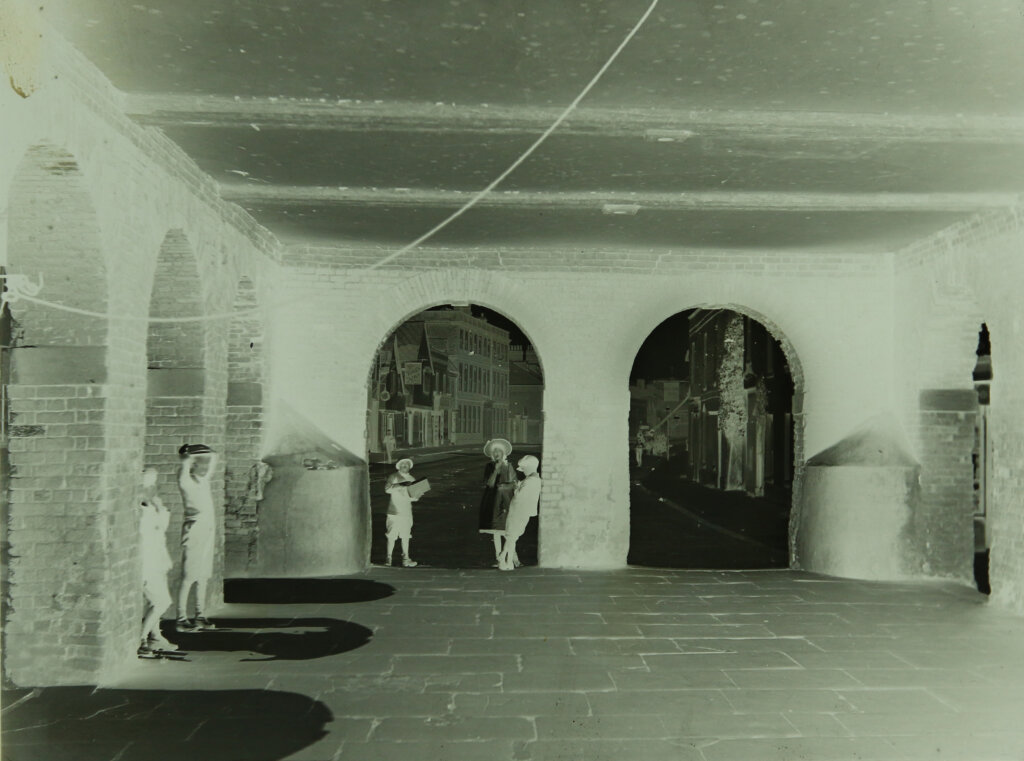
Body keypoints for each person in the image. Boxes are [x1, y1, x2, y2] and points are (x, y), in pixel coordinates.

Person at [175, 443, 218, 632]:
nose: (207, 466)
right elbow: (183, 469)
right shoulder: (186, 481)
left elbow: (214, 459)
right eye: (202, 462)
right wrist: (188, 456)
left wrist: (208, 454)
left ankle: (200, 616)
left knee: (203, 575)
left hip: (208, 529)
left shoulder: (203, 481)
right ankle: (181, 618)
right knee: (189, 575)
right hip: (195, 529)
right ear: (193, 463)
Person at [137, 468, 177, 656]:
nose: (153, 488)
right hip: (148, 561)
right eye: (150, 485)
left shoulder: (151, 507)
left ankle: (155, 636)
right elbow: (156, 529)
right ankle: (142, 639)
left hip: (156, 559)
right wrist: (161, 510)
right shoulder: (142, 510)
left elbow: (160, 529)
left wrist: (160, 508)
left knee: (157, 601)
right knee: (161, 601)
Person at [497, 455, 542, 571]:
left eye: (524, 469)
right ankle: (506, 559)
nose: (523, 471)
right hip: (524, 511)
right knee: (513, 537)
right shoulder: (535, 480)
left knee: (511, 536)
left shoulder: (530, 481)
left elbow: (519, 496)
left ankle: (505, 559)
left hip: (518, 510)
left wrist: (516, 488)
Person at [478, 438, 516, 564]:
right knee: (496, 530)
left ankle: (512, 556)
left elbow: (513, 484)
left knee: (507, 529)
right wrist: (496, 470)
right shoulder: (489, 466)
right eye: (494, 451)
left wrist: (506, 487)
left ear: (503, 452)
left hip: (505, 500)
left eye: (498, 450)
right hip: (492, 499)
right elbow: (489, 484)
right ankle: (498, 557)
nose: (496, 453)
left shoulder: (509, 466)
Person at [385, 458, 420, 567]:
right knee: (391, 536)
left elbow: (413, 497)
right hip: (394, 511)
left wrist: (416, 496)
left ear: (410, 466)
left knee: (405, 536)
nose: (405, 465)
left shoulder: (412, 478)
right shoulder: (393, 476)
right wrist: (401, 485)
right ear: (398, 466)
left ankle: (406, 559)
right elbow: (387, 489)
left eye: (407, 464)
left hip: (406, 511)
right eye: (403, 464)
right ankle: (388, 558)